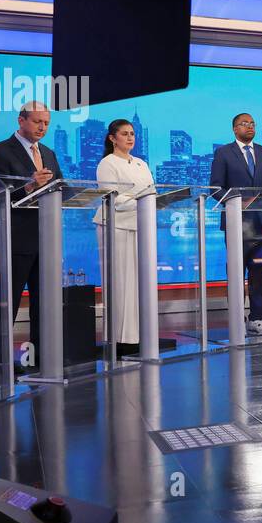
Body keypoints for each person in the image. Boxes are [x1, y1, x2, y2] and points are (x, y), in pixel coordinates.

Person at [0, 101, 63, 373]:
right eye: (38, 121)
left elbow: (58, 187)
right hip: (12, 237)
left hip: (45, 238)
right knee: (7, 302)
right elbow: (0, 190)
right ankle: (0, 362)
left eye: (46, 123)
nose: (43, 127)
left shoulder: (49, 153)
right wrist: (30, 184)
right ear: (21, 120)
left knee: (44, 302)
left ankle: (42, 358)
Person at [209, 112, 262, 336]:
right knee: (236, 272)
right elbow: (215, 188)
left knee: (258, 273)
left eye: (252, 124)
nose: (249, 127)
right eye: (244, 123)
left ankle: (257, 319)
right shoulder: (223, 153)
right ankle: (236, 317)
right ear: (234, 129)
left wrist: (259, 201)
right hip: (236, 222)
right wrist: (238, 202)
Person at [93, 118, 155, 354]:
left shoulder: (141, 163)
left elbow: (151, 191)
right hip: (116, 227)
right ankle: (118, 338)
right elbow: (112, 197)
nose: (130, 137)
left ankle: (138, 334)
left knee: (139, 283)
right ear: (112, 138)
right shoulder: (107, 163)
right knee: (120, 283)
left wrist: (146, 202)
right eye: (125, 134)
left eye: (132, 133)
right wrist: (139, 201)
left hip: (141, 226)